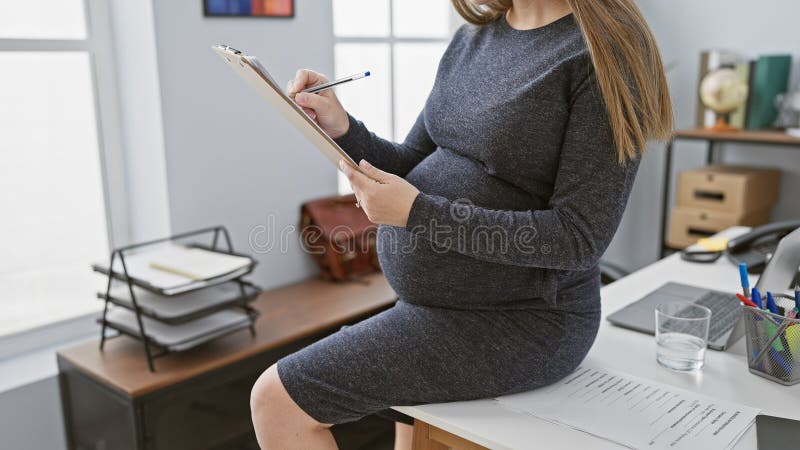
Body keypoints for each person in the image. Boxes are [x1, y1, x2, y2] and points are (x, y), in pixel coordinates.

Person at [250, 0, 673, 448]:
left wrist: (418, 214)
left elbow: (577, 237)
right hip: (431, 306)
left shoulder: (603, 56)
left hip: (525, 320)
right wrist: (342, 128)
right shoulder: (475, 38)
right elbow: (412, 163)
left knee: (276, 399)